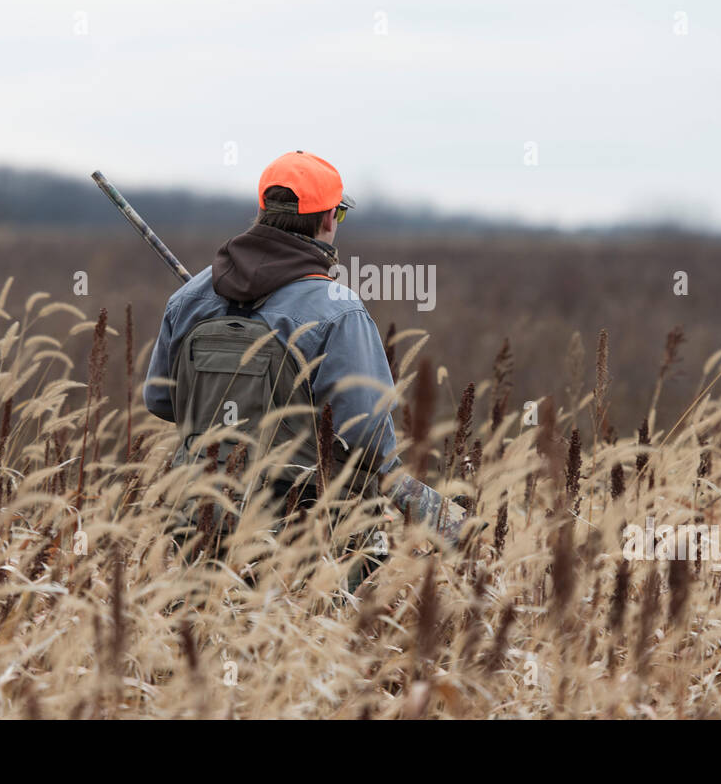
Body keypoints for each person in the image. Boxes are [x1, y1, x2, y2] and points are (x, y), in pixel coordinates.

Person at [142, 150, 475, 563]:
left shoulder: (189, 298)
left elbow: (159, 400)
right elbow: (368, 437)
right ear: (328, 220)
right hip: (301, 536)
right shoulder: (338, 309)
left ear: (262, 211)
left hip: (196, 522)